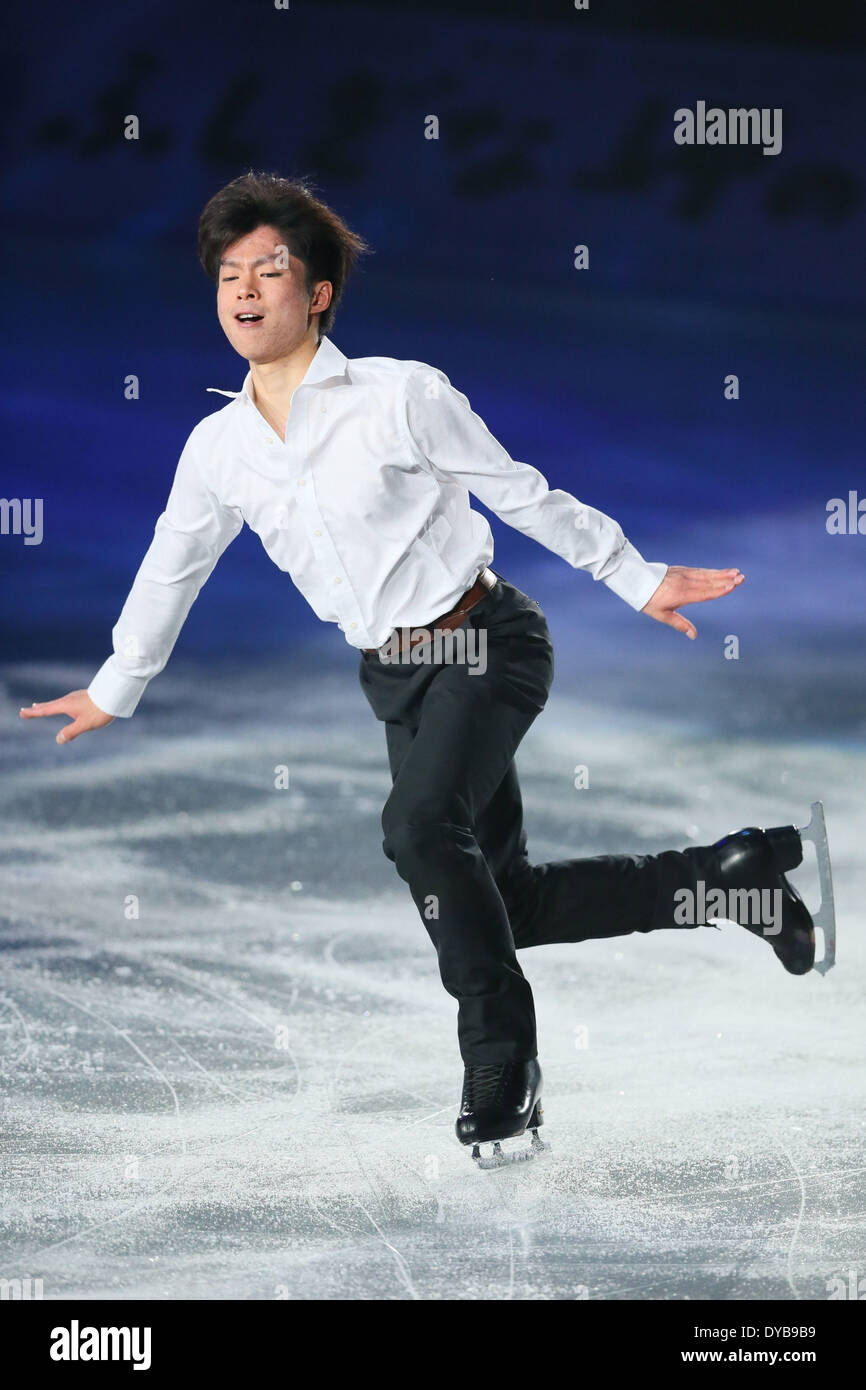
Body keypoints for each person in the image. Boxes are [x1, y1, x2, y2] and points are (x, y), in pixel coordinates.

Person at [21, 172, 820, 1167]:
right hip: (393, 675)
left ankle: (500, 1064)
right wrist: (115, 683)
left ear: (316, 293)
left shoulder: (401, 395)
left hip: (484, 642)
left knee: (416, 828)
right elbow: (173, 561)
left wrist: (634, 575)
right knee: (503, 900)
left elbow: (519, 493)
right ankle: (724, 880)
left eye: (269, 268)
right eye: (228, 273)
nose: (243, 288)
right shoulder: (217, 448)